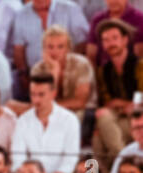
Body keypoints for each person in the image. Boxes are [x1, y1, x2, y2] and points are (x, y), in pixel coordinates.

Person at [11, 69, 80, 173]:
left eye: (41, 95)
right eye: (33, 94)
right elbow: (18, 158)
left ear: (53, 94)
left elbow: (70, 161)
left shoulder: (70, 120)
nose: (36, 100)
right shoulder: (23, 120)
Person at [12, 0, 90, 94]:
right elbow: (19, 48)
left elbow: (82, 41)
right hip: (37, 75)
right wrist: (23, 75)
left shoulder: (70, 8)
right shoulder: (22, 14)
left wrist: (71, 67)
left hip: (71, 74)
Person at [93, 19, 143, 163]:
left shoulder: (139, 65)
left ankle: (122, 168)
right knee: (98, 132)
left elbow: (140, 100)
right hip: (116, 118)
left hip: (138, 119)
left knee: (99, 137)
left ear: (125, 40)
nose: (110, 43)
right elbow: (107, 102)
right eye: (106, 40)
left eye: (114, 38)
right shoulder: (103, 70)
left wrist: (120, 103)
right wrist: (123, 105)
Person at [33, 24, 96, 121]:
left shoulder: (81, 64)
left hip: (83, 110)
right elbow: (40, 99)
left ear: (68, 49)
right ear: (44, 49)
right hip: (52, 112)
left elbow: (80, 102)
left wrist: (49, 106)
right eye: (50, 47)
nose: (55, 51)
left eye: (60, 47)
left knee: (72, 119)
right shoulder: (38, 69)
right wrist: (54, 71)